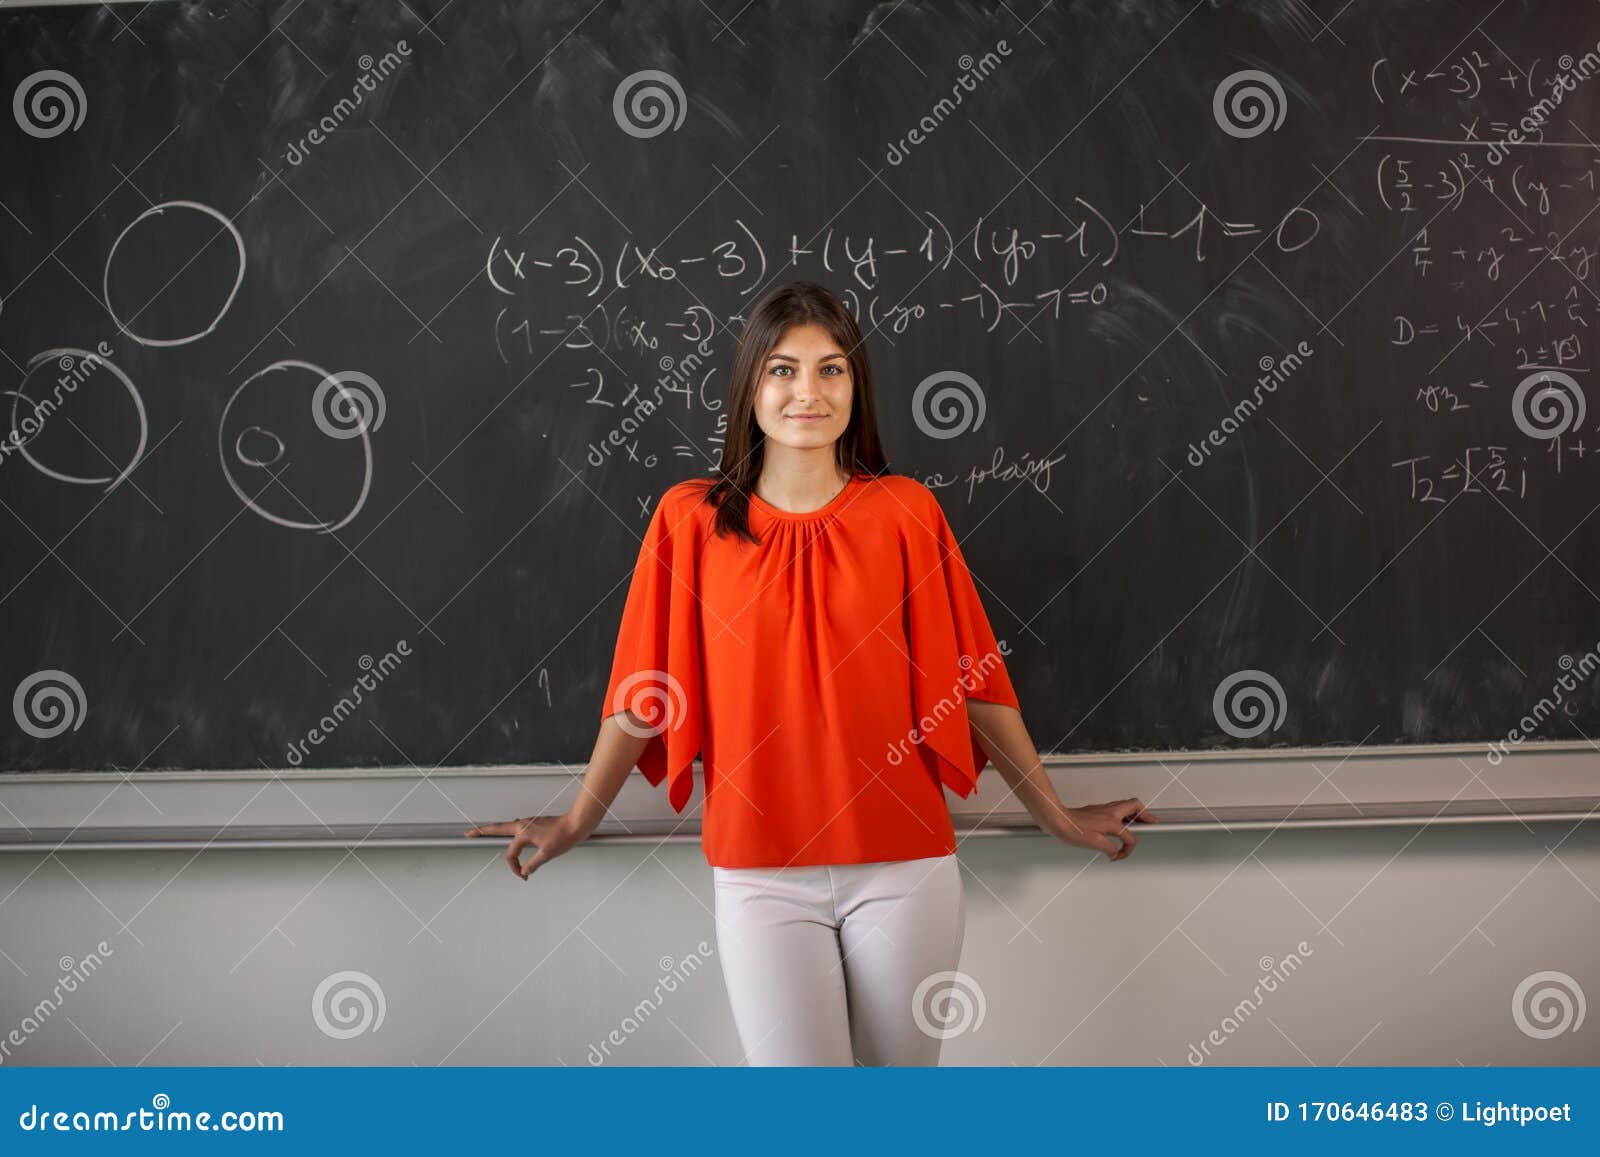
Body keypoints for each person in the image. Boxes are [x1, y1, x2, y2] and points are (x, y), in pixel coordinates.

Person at [466, 280, 1159, 1066]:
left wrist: (1055, 814)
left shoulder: (904, 513)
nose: (808, 391)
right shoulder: (689, 521)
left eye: (831, 369)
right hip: (761, 873)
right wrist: (575, 821)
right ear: (750, 388)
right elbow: (641, 697)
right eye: (783, 369)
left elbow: (971, 688)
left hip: (903, 867)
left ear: (855, 387)